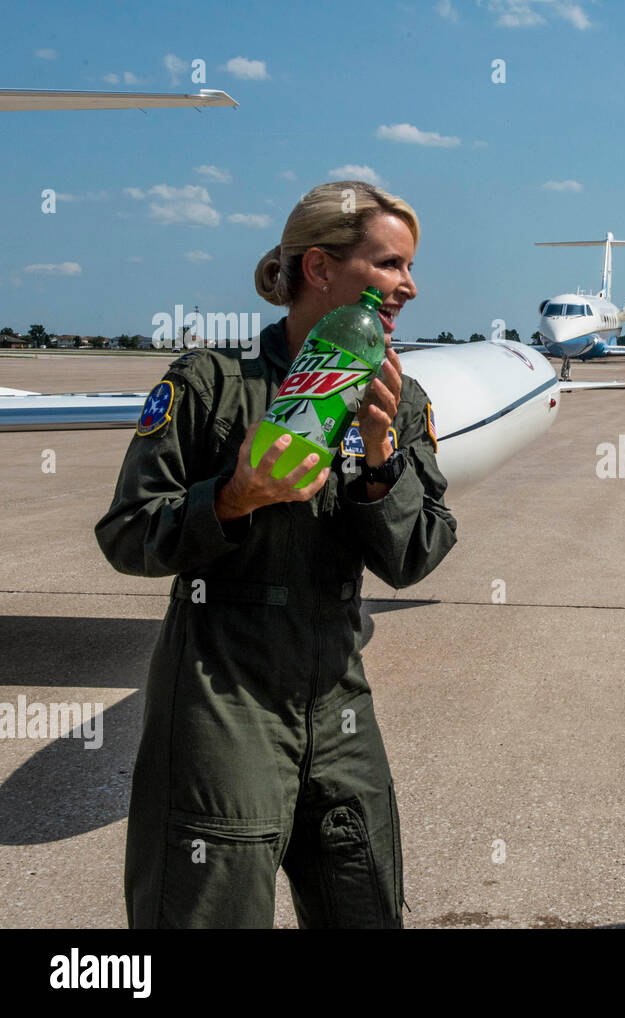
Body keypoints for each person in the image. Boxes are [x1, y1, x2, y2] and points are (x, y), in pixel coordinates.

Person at [95, 181, 457, 928]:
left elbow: (415, 556)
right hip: (221, 697)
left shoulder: (402, 395)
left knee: (364, 903)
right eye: (389, 264)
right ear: (320, 268)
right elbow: (129, 533)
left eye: (409, 268)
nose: (409, 286)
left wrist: (382, 464)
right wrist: (231, 498)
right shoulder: (211, 386)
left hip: (338, 700)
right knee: (209, 908)